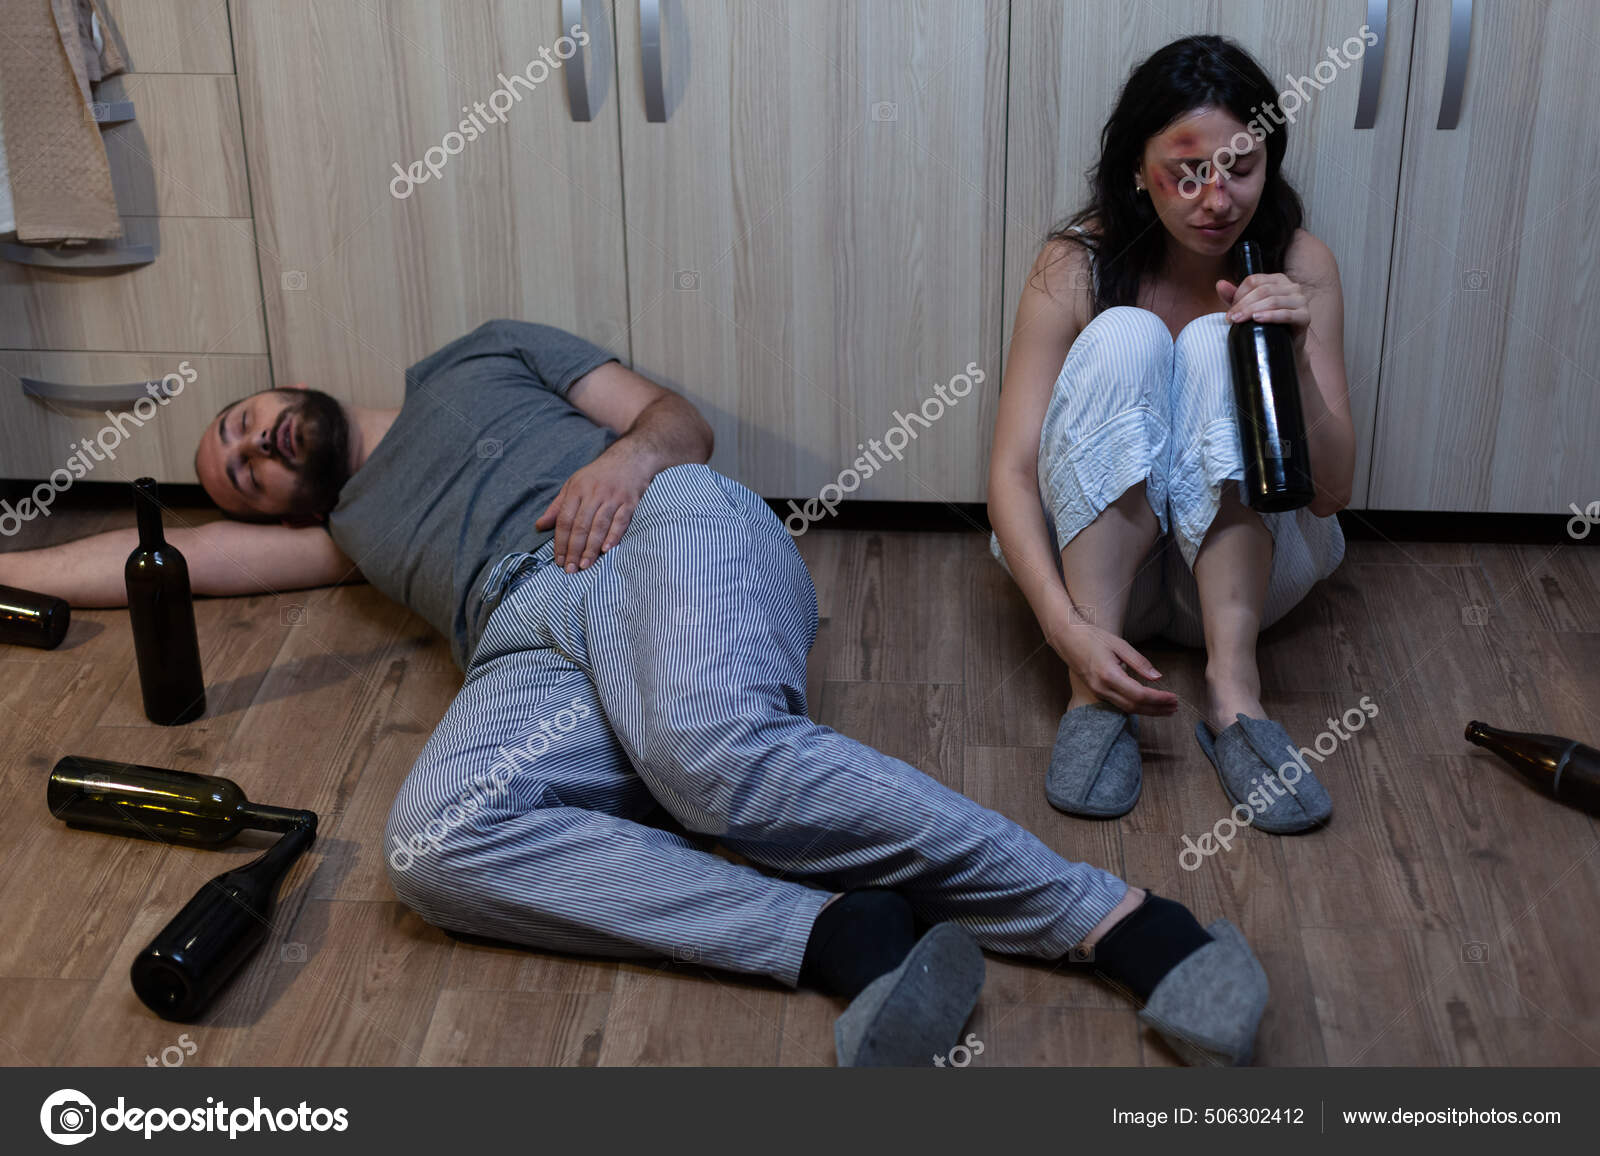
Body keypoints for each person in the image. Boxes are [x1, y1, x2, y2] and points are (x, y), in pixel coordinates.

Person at [1, 328, 1271, 1068]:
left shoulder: (477, 353)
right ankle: (840, 939)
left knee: (710, 756)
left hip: (663, 530)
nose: (253, 453)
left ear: (283, 387)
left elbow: (678, 419)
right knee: (434, 846)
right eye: (239, 476)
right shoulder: (352, 530)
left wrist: (625, 462)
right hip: (527, 640)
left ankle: (1118, 922)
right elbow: (155, 562)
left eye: (244, 422)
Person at [987, 34, 1355, 831]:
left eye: (1242, 168)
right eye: (1187, 173)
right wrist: (1064, 633)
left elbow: (1330, 495)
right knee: (1128, 335)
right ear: (1134, 169)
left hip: (1238, 586)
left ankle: (1235, 693)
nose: (1217, 199)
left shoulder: (1300, 263)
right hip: (1092, 588)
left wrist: (1289, 362)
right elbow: (1012, 474)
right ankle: (1094, 693)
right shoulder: (1075, 262)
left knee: (1219, 342)